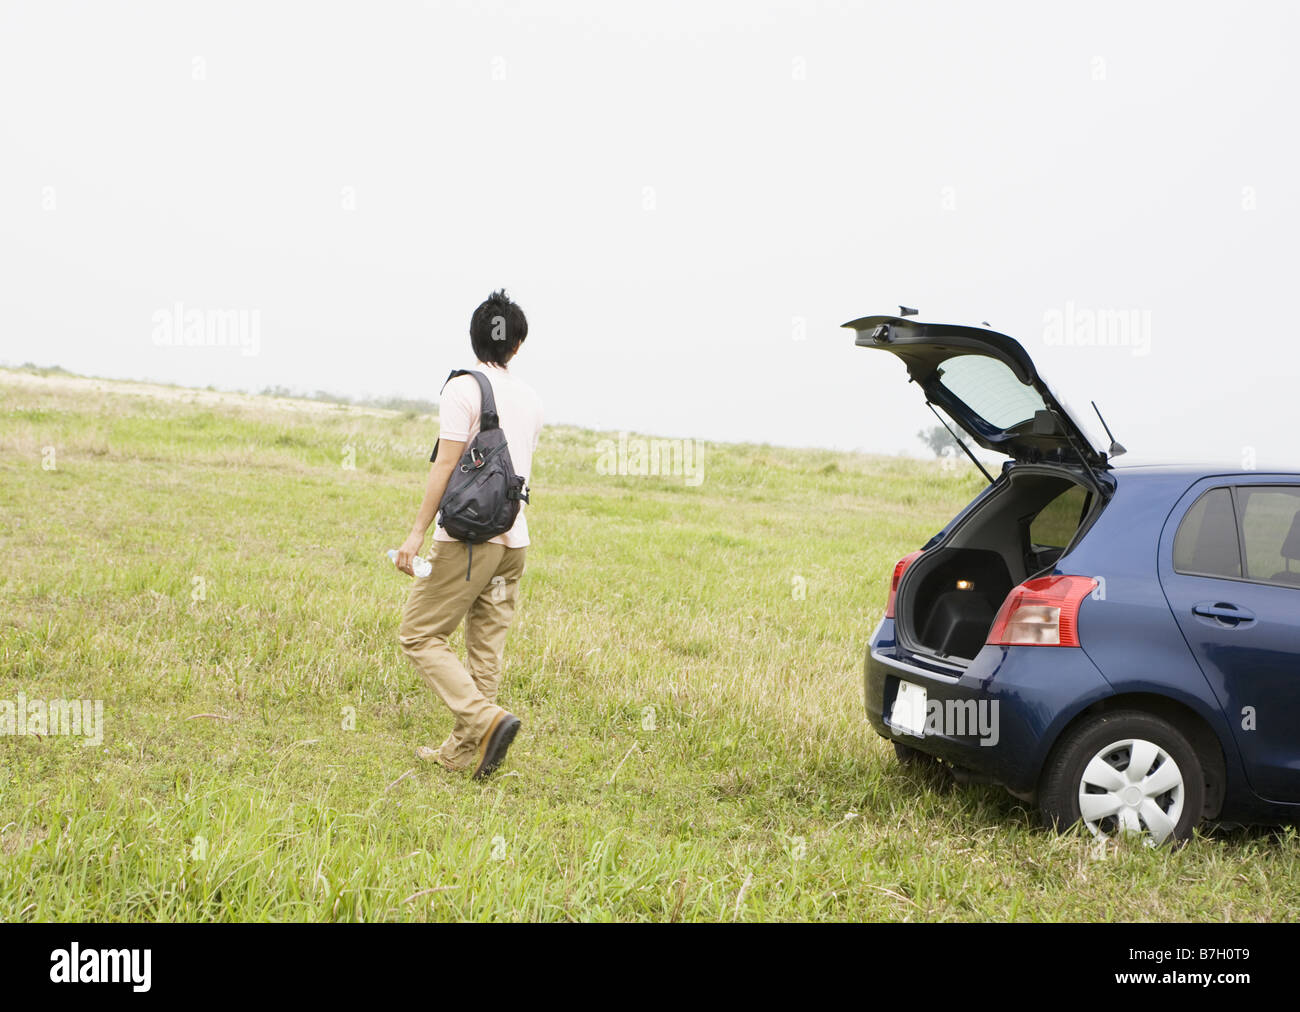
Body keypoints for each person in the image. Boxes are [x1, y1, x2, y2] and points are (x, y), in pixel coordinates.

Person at [395, 290, 543, 779]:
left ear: (475, 338)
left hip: (469, 540)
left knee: (419, 634)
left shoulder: (462, 389)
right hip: (513, 543)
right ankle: (464, 754)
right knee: (485, 650)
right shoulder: (530, 398)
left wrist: (416, 534)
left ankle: (485, 721)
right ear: (516, 344)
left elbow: (447, 464)